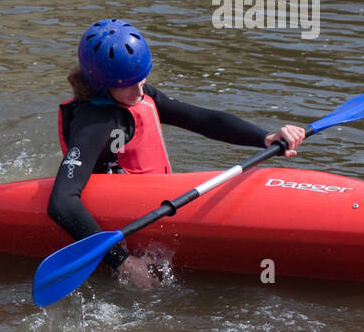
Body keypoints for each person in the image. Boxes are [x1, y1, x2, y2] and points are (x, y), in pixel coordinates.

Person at [48, 20, 306, 288]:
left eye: (142, 79)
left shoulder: (134, 93)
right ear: (101, 84)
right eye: (128, 84)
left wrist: (264, 138)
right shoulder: (95, 125)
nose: (140, 92)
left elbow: (201, 119)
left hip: (153, 201)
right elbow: (61, 203)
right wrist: (124, 262)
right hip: (117, 212)